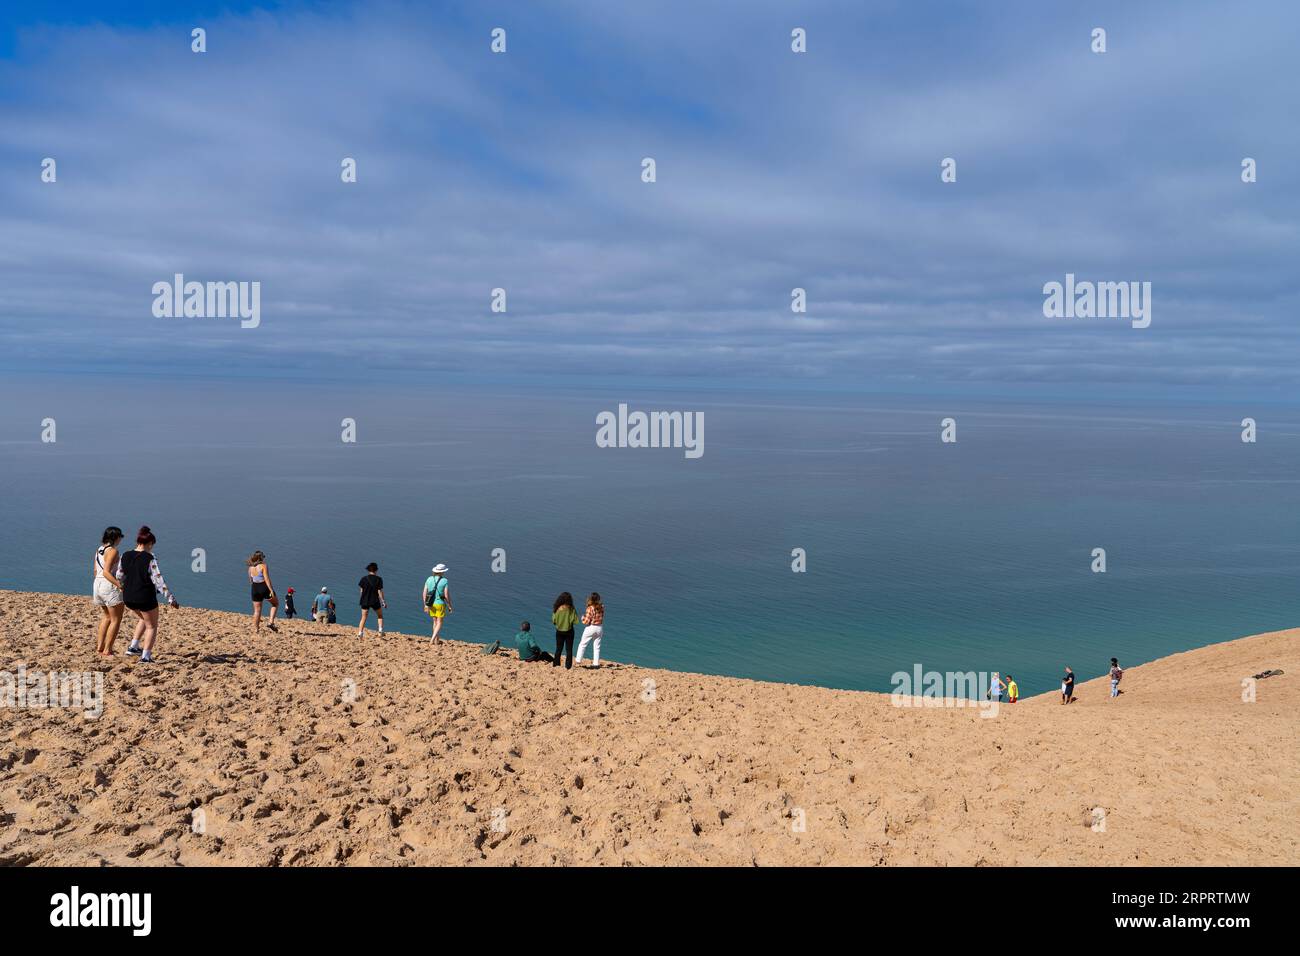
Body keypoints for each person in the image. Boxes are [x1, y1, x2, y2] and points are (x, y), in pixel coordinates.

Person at [119, 526, 179, 663]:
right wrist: (171, 598)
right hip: (145, 597)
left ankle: (133, 647)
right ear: (150, 543)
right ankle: (145, 657)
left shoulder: (125, 555)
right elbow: (158, 580)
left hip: (128, 597)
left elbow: (119, 576)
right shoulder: (150, 557)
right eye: (152, 545)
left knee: (145, 619)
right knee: (152, 625)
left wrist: (125, 588)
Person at [92, 526, 126, 657]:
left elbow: (96, 571)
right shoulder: (112, 551)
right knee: (116, 619)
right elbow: (107, 572)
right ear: (115, 538)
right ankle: (108, 650)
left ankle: (100, 648)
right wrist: (120, 585)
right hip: (109, 585)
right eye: (119, 537)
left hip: (97, 584)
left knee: (106, 617)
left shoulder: (99, 550)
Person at [247, 550, 279, 634]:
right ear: (261, 558)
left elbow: (250, 580)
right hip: (263, 587)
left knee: (257, 610)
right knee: (275, 604)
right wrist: (271, 590)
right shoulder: (263, 566)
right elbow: (267, 579)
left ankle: (256, 629)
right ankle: (271, 622)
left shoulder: (250, 568)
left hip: (254, 588)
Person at [423, 564, 452, 644]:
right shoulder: (445, 581)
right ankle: (432, 640)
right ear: (442, 572)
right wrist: (449, 605)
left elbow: (424, 592)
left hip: (431, 604)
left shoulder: (429, 579)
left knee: (435, 622)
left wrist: (425, 604)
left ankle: (437, 641)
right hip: (440, 604)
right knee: (439, 623)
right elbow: (446, 595)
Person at [575, 592, 605, 669]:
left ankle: (578, 661)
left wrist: (582, 618)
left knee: (583, 644)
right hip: (599, 627)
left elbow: (586, 621)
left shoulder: (590, 608)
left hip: (591, 627)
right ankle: (596, 664)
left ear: (591, 599)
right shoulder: (602, 607)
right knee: (597, 646)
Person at [552, 592, 579, 670]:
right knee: (569, 649)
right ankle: (568, 666)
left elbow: (554, 620)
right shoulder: (571, 609)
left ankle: (556, 664)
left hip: (559, 631)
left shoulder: (557, 608)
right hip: (569, 631)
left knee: (558, 648)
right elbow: (575, 621)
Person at [357, 563, 386, 636]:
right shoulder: (379, 579)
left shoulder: (363, 579)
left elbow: (361, 591)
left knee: (363, 617)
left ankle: (360, 633)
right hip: (375, 600)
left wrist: (362, 599)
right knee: (380, 615)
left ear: (368, 570)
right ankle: (380, 630)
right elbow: (379, 591)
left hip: (365, 600)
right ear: (376, 570)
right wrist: (383, 601)